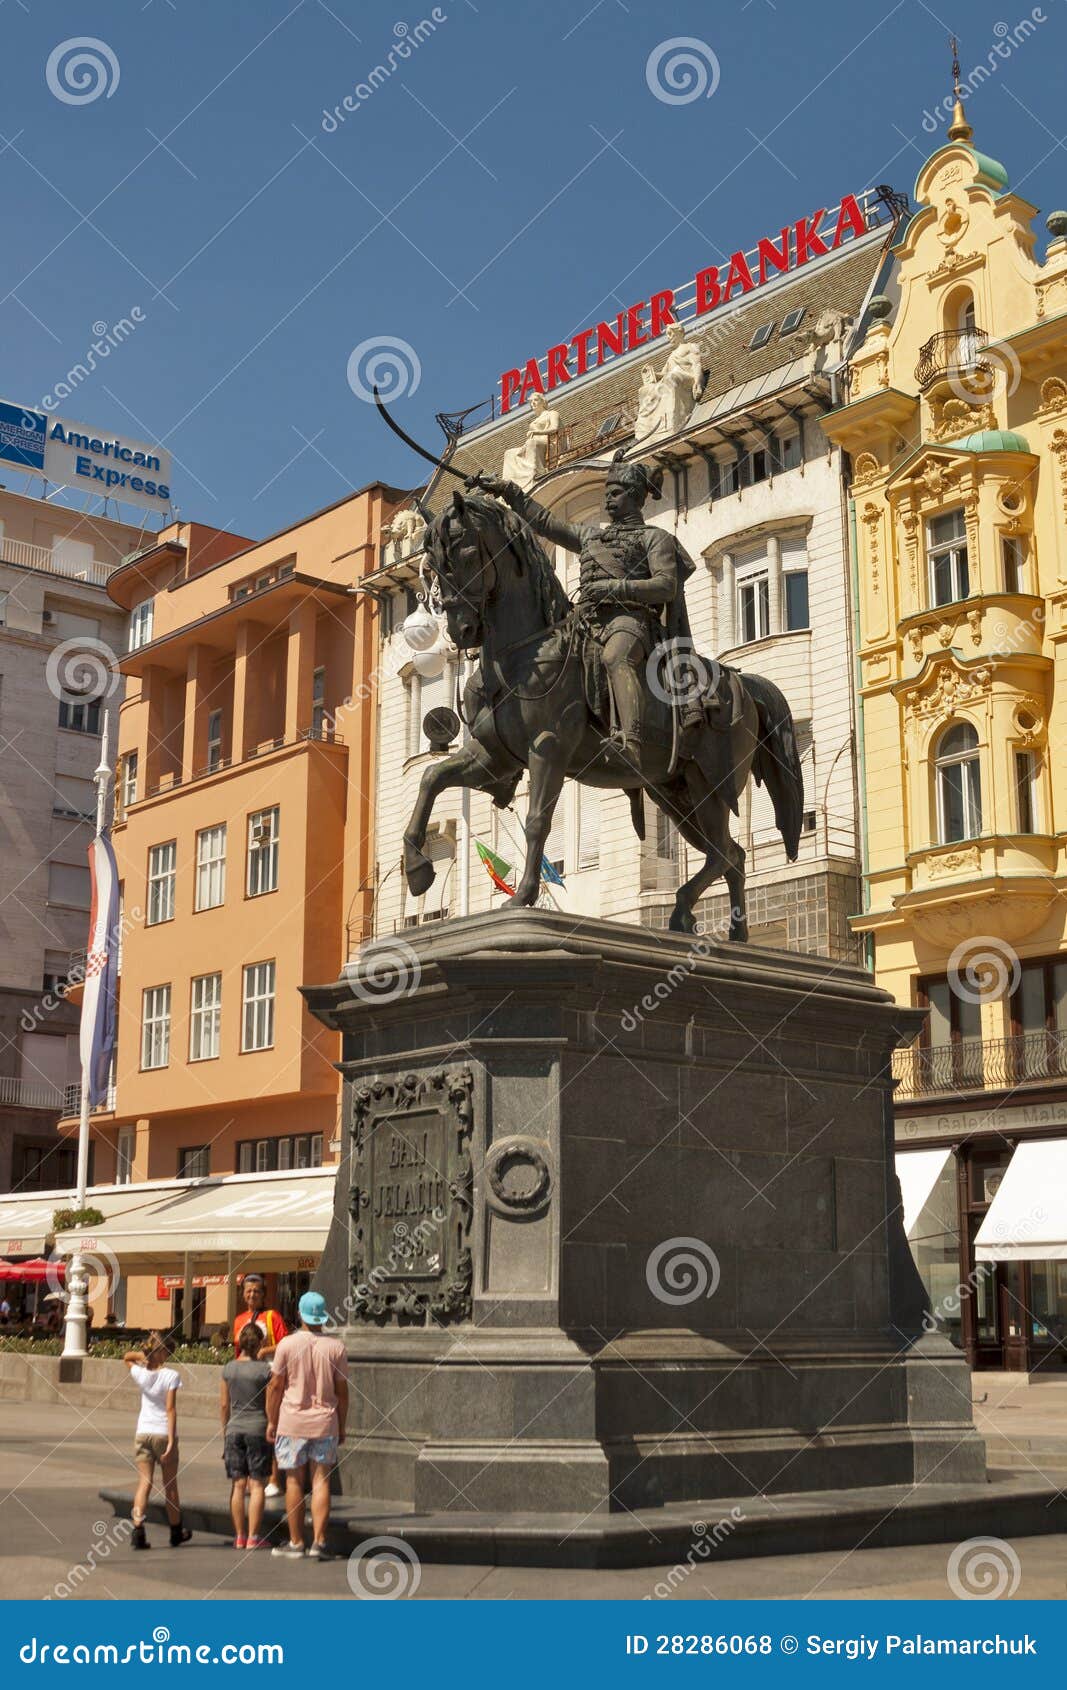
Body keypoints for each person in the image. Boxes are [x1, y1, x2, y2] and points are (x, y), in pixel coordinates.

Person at [266, 1291, 348, 1561]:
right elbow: (342, 1392)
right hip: (325, 1422)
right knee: (321, 1480)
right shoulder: (336, 1348)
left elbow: (276, 1386)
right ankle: (319, 1543)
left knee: (293, 1480)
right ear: (322, 1316)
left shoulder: (286, 1345)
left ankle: (296, 1541)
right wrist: (342, 1424)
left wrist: (271, 1420)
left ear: (300, 1314)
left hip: (292, 1421)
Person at [123, 1332, 192, 1549]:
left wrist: (142, 1356)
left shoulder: (141, 1373)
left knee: (144, 1482)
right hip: (162, 1432)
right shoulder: (171, 1375)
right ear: (163, 1353)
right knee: (170, 1485)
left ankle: (138, 1530)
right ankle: (175, 1531)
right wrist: (171, 1441)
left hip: (143, 1432)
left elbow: (126, 1357)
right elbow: (170, 1409)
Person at [232, 1274, 288, 1497]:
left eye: (256, 1291)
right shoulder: (238, 1320)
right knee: (249, 1427)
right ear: (243, 1294)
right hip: (247, 1378)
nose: (252, 1294)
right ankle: (251, 1478)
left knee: (270, 1424)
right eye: (248, 1291)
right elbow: (237, 1352)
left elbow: (285, 1343)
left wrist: (265, 1351)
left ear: (263, 1294)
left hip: (269, 1376)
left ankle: (274, 1479)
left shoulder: (272, 1316)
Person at [220, 1322, 273, 1550]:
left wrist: (226, 1430)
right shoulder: (265, 1371)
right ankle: (253, 1537)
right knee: (258, 1484)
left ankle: (239, 1535)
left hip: (234, 1429)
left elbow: (224, 1404)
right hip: (258, 1428)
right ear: (259, 1344)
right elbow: (270, 1404)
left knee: (238, 1484)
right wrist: (273, 1425)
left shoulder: (229, 1368)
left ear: (240, 1343)